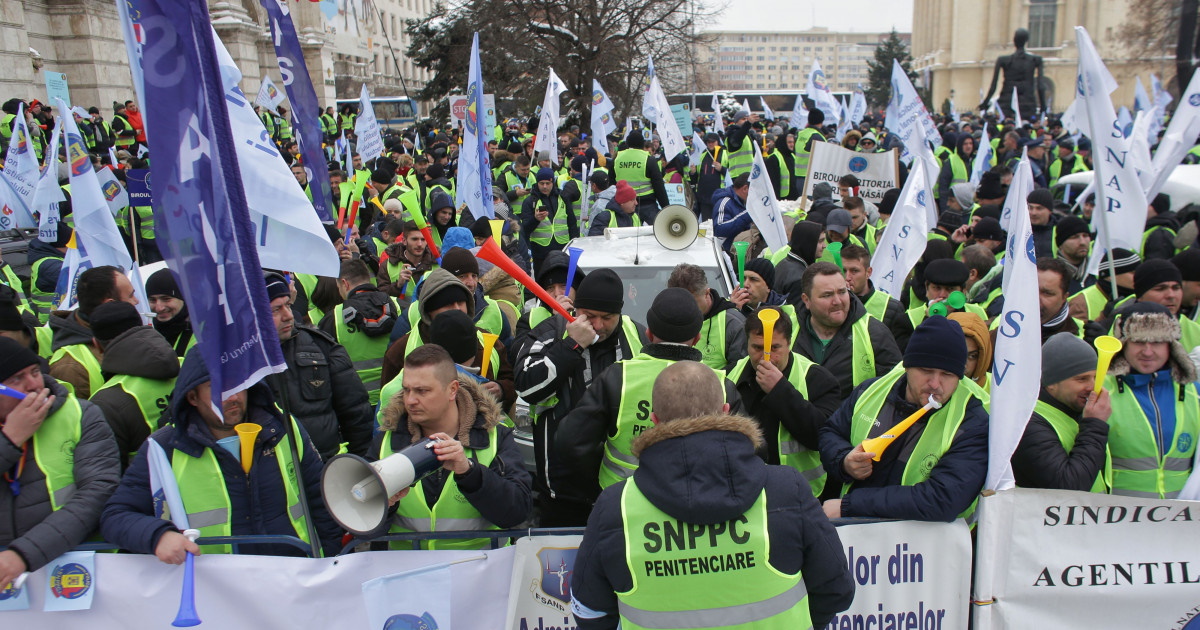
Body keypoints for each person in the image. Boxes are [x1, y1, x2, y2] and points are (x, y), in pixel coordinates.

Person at [569, 360, 854, 630]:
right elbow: (836, 590)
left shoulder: (616, 506)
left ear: (655, 421)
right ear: (726, 410)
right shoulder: (785, 489)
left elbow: (589, 611)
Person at [100, 351, 344, 559]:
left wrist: (329, 560)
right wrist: (157, 535)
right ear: (192, 397)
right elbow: (116, 516)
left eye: (238, 384)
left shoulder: (284, 428)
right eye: (217, 387)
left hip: (294, 577)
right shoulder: (164, 448)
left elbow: (320, 497)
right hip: (215, 592)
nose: (233, 397)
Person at [557, 288, 743, 508]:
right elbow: (746, 452)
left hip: (623, 503)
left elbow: (570, 441)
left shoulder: (618, 376)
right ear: (697, 338)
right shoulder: (720, 384)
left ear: (649, 333)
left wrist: (596, 486)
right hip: (696, 505)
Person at [818, 317, 989, 522]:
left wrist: (850, 505)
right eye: (926, 371)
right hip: (858, 538)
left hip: (925, 547)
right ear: (907, 367)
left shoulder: (973, 422)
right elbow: (831, 432)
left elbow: (943, 498)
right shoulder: (870, 391)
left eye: (947, 374)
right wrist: (844, 460)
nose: (935, 383)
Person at [514, 269, 647, 526]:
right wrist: (572, 345)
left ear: (619, 313)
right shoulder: (550, 332)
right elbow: (527, 388)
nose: (597, 325)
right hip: (563, 491)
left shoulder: (637, 336)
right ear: (576, 309)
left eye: (607, 318)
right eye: (589, 316)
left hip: (624, 489)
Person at [372, 345, 531, 549]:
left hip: (479, 572)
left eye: (422, 391)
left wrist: (470, 473)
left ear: (452, 390)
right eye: (406, 390)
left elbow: (516, 511)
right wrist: (385, 506)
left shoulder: (495, 437)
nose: (410, 400)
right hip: (405, 574)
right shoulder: (386, 440)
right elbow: (365, 530)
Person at [0, 337, 120, 589]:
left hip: (74, 571)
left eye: (34, 372)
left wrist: (22, 554)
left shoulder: (81, 414)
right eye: (16, 379)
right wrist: (9, 440)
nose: (33, 385)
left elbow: (98, 492)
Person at [728, 307, 841, 495]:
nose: (766, 357)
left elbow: (823, 437)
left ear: (789, 343)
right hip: (743, 488)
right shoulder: (730, 375)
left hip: (800, 493)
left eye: (774, 348)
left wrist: (780, 390)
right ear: (746, 344)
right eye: (757, 348)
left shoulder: (818, 379)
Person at [264, 272, 373, 461]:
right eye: (275, 310)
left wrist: (361, 467)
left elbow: (356, 414)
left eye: (288, 305)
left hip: (326, 469)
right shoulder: (240, 363)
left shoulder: (320, 347)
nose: (288, 316)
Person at [1103, 303, 1198, 499]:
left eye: (1157, 342)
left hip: (1182, 521)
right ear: (1123, 342)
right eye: (1138, 342)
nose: (1147, 352)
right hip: (1118, 519)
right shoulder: (1101, 389)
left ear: (1171, 345)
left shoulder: (1193, 392)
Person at [1010, 333, 1110, 491]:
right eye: (1081, 379)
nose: (1093, 388)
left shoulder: (1076, 409)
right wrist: (1095, 425)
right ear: (1051, 384)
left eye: (1096, 378)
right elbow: (1069, 487)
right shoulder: (1027, 425)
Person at [88, 301, 179, 470]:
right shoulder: (185, 365)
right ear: (142, 326)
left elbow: (110, 474)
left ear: (96, 345)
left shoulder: (105, 403)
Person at [792, 262, 902, 401]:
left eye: (842, 292)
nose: (837, 301)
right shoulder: (786, 329)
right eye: (827, 295)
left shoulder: (875, 334)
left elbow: (895, 391)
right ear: (806, 300)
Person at [48, 265, 140, 399]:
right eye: (131, 296)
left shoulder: (124, 331)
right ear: (110, 304)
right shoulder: (70, 367)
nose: (136, 301)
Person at [319, 260, 399, 407]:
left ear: (345, 283)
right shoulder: (398, 307)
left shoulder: (333, 318)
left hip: (358, 403)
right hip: (397, 398)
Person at [668, 263, 747, 371]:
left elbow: (739, 373)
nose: (683, 308)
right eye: (677, 302)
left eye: (691, 302)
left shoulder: (734, 324)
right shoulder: (667, 318)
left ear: (706, 293)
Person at [841, 244, 908, 350]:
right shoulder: (835, 303)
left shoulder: (891, 307)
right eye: (843, 271)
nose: (847, 277)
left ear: (868, 272)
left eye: (854, 271)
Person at [521, 167, 579, 274]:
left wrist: (574, 244)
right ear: (537, 183)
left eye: (548, 183)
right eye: (541, 183)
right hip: (540, 252)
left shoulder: (563, 198)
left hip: (563, 248)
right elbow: (524, 229)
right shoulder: (530, 201)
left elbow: (572, 223)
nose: (544, 187)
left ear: (553, 182)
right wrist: (535, 219)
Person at [378, 221, 436, 302]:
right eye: (414, 239)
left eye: (423, 239)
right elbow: (380, 298)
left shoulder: (437, 264)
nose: (419, 244)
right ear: (404, 241)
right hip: (401, 313)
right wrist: (398, 286)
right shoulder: (388, 265)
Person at [144, 268, 194, 357]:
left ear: (184, 299)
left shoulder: (202, 334)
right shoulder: (146, 336)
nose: (159, 308)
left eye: (166, 299)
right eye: (152, 300)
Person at [947, 311, 993, 390]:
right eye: (956, 353)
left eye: (972, 356)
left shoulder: (999, 388)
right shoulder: (927, 385)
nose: (963, 364)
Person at [712, 173, 751, 252]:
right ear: (745, 189)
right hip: (729, 253)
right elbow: (719, 230)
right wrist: (748, 214)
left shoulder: (744, 201)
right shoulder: (724, 202)